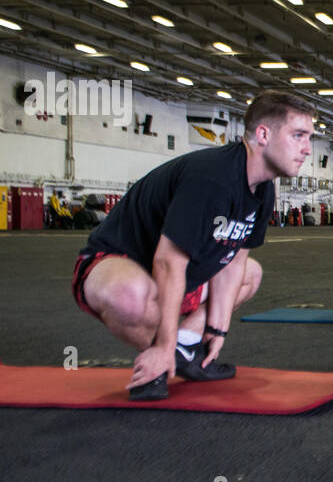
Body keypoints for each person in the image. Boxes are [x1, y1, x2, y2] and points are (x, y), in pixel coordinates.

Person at [71, 90, 314, 400]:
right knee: (131, 295)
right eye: (298, 136)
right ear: (263, 134)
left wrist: (216, 329)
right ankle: (164, 354)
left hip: (175, 277)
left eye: (308, 138)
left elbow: (236, 259)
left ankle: (186, 351)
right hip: (116, 264)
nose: (307, 149)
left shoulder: (263, 189)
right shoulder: (212, 177)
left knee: (250, 273)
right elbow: (168, 262)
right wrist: (161, 344)